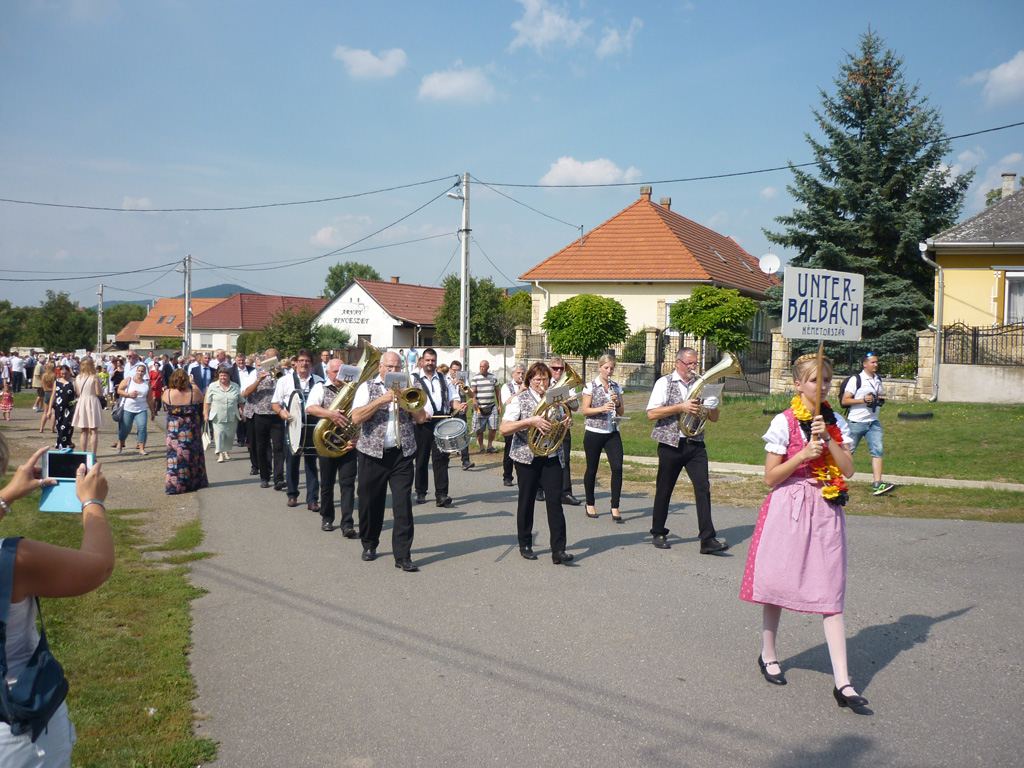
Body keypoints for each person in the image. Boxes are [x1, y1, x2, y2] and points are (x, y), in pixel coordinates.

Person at [740, 353, 867, 708]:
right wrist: (802, 455)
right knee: (776, 584)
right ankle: (768, 653)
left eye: (826, 380)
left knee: (831, 588)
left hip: (826, 509)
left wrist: (826, 441)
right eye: (814, 380)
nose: (821, 386)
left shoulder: (834, 421)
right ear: (798, 385)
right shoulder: (784, 422)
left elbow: (850, 469)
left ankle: (843, 682)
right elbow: (770, 478)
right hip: (789, 506)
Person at [0, 435, 114, 767]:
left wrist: (6, 497)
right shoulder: (15, 559)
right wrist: (92, 502)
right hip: (18, 727)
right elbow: (97, 565)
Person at [645, 347, 729, 554]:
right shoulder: (664, 383)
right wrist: (680, 407)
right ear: (678, 363)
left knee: (703, 488)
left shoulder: (702, 385)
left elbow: (715, 418)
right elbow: (652, 413)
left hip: (695, 444)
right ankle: (658, 531)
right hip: (670, 444)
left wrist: (713, 405)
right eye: (689, 364)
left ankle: (707, 539)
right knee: (664, 489)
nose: (693, 368)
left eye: (695, 364)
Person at [350, 350, 428, 571]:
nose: (394, 371)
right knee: (370, 502)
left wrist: (408, 402)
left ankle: (402, 555)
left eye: (397, 367)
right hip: (372, 454)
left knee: (403, 504)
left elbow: (421, 419)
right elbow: (356, 417)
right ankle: (369, 543)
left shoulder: (411, 387)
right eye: (390, 367)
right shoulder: (367, 388)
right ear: (381, 367)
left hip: (401, 454)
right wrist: (381, 400)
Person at [499, 361, 574, 565]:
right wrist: (530, 421)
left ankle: (559, 549)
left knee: (555, 501)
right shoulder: (519, 400)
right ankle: (525, 543)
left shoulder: (555, 397)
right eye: (537, 379)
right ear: (529, 380)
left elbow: (563, 419)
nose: (542, 383)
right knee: (527, 500)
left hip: (551, 455)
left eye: (545, 379)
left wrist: (566, 422)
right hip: (526, 457)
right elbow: (504, 429)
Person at [306, 358, 357, 536]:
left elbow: (361, 415)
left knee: (348, 484)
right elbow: (310, 408)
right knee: (327, 484)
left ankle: (347, 523)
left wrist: (356, 437)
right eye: (334, 372)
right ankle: (327, 517)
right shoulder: (320, 387)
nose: (338, 375)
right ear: (327, 373)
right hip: (326, 444)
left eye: (341, 372)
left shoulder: (353, 389)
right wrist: (330, 414)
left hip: (348, 444)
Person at [271, 349, 322, 510]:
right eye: (301, 360)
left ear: (311, 364)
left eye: (307, 361)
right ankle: (292, 494)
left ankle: (312, 499)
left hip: (313, 428)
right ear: (296, 363)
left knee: (311, 464)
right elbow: (275, 403)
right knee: (292, 462)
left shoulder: (320, 381)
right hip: (292, 426)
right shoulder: (284, 381)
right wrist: (281, 412)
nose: (304, 363)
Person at [841, 352, 896, 496]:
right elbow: (845, 401)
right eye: (872, 362)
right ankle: (834, 480)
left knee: (878, 450)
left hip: (873, 422)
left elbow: (878, 394)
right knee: (847, 452)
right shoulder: (856, 379)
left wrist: (877, 399)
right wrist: (863, 400)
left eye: (876, 362)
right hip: (857, 422)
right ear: (865, 364)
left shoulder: (878, 379)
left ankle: (878, 484)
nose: (875, 364)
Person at [580, 354, 626, 522]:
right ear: (599, 368)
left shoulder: (616, 386)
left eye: (611, 368)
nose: (609, 371)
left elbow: (621, 411)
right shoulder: (591, 386)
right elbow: (585, 410)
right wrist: (601, 408)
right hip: (594, 431)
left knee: (617, 468)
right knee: (592, 468)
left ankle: (615, 506)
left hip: (612, 431)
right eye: (606, 368)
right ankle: (590, 503)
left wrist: (617, 402)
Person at [412, 348, 459, 508]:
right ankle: (421, 490)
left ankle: (442, 494)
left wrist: (460, 407)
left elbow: (454, 399)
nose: (430, 363)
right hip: (422, 424)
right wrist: (420, 412)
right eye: (427, 360)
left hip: (441, 422)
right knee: (422, 457)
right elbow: (409, 402)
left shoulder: (443, 379)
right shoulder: (413, 379)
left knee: (441, 459)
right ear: (422, 362)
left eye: (433, 360)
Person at [243, 348, 285, 491]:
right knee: (262, 447)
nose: (272, 362)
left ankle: (279, 478)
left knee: (279, 447)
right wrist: (259, 379)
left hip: (277, 415)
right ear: (264, 359)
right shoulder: (254, 373)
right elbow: (246, 393)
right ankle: (265, 477)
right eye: (269, 359)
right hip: (260, 415)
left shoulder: (284, 374)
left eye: (275, 359)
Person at [163, 367, 208, 495]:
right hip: (190, 428)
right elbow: (202, 398)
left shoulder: (168, 394)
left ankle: (175, 485)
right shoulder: (193, 393)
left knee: (174, 457)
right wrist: (193, 383)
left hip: (174, 429)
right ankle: (192, 482)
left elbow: (164, 403)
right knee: (192, 456)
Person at [549, 356, 581, 506]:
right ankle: (541, 488)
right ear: (550, 369)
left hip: (563, 426)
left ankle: (566, 493)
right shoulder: (544, 383)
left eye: (561, 368)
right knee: (545, 458)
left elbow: (575, 408)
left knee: (565, 460)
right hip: (547, 425)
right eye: (555, 368)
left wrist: (571, 400)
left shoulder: (568, 385)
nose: (558, 371)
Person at [204, 365, 243, 463]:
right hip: (217, 415)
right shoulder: (213, 386)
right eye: (221, 376)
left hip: (232, 415)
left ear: (229, 376)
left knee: (229, 435)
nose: (223, 378)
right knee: (219, 434)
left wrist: (243, 412)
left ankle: (227, 452)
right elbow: (207, 401)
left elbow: (240, 401)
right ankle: (220, 454)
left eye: (225, 376)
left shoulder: (235, 386)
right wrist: (205, 414)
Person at [500, 363, 526, 487]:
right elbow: (506, 402)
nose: (520, 375)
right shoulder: (506, 386)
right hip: (511, 421)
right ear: (513, 373)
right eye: (518, 373)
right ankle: (507, 476)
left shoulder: (527, 385)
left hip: (524, 422)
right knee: (509, 449)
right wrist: (520, 391)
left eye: (522, 373)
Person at [116, 363, 151, 455]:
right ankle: (121, 441)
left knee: (142, 427)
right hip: (128, 408)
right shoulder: (129, 380)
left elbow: (149, 398)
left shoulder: (146, 384)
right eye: (139, 371)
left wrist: (153, 411)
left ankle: (142, 448)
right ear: (136, 371)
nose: (140, 373)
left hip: (141, 409)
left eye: (142, 371)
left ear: (145, 373)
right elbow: (119, 390)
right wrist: (129, 395)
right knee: (126, 428)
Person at [72, 357, 103, 457]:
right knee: (94, 431)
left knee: (84, 431)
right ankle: (93, 455)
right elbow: (98, 392)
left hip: (81, 401)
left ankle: (83, 453)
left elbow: (77, 392)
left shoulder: (78, 377)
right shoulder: (94, 377)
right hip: (92, 401)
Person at [447, 361, 474, 471]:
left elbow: (471, 395)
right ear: (450, 369)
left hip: (461, 409)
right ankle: (445, 458)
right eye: (454, 370)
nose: (455, 372)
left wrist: (464, 386)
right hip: (449, 409)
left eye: (458, 370)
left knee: (464, 434)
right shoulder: (445, 379)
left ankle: (465, 460)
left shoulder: (463, 379)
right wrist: (454, 383)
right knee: (448, 434)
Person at [471, 360, 499, 453]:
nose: (482, 368)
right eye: (480, 367)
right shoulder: (475, 378)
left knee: (493, 427)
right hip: (480, 408)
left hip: (491, 406)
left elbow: (497, 391)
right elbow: (472, 392)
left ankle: (490, 446)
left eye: (484, 367)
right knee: (479, 429)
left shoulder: (493, 377)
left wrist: (499, 405)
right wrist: (474, 402)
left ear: (488, 367)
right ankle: (481, 447)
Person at [38, 364, 56, 434]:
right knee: (53, 412)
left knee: (45, 412)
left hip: (46, 392)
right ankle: (52, 429)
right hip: (53, 392)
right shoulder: (54, 375)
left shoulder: (44, 376)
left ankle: (41, 428)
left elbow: (43, 386)